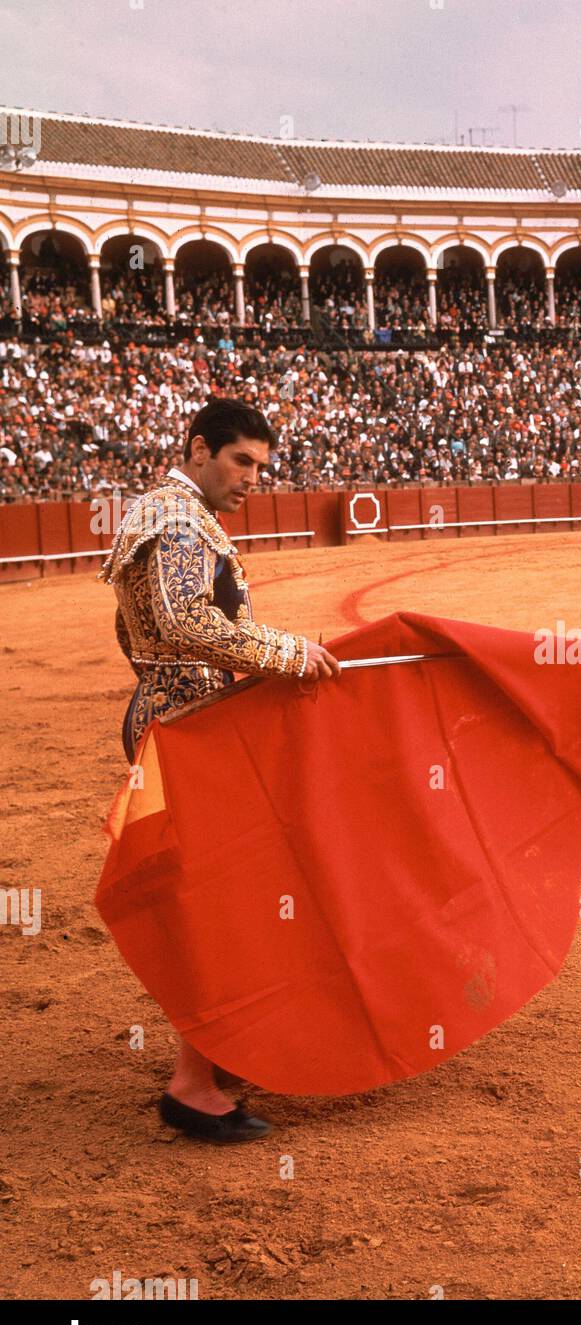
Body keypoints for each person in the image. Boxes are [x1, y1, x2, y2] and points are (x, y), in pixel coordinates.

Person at [101, 396, 340, 1143]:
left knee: (222, 897)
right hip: (188, 732)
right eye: (242, 461)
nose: (252, 479)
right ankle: (192, 1083)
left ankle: (213, 1056)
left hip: (183, 720)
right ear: (199, 449)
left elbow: (168, 629)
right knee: (220, 904)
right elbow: (186, 622)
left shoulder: (164, 513)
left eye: (262, 468)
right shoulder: (175, 517)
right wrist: (291, 656)